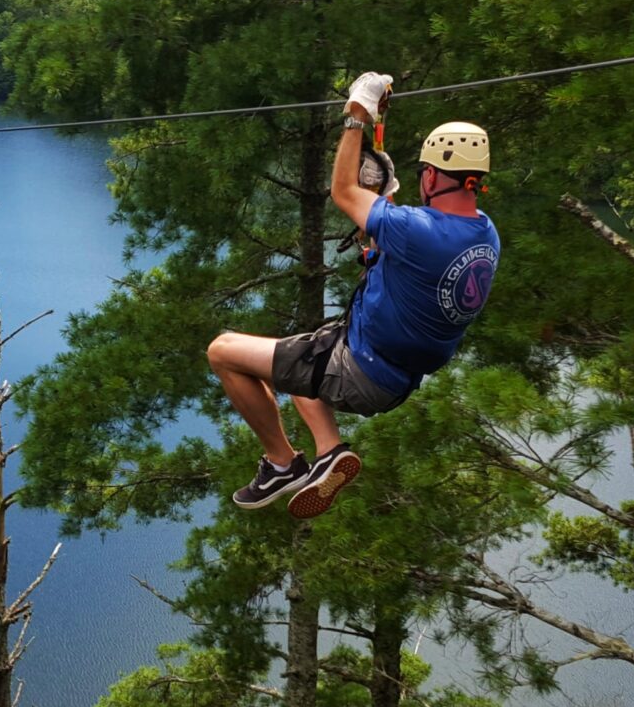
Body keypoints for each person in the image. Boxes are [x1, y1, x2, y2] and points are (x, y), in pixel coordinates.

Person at [206, 71, 500, 518]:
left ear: (435, 175)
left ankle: (282, 464)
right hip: (392, 377)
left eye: (424, 173)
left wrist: (357, 115)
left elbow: (342, 192)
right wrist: (386, 199)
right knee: (299, 356)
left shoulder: (415, 230)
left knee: (223, 352)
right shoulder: (484, 235)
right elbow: (414, 254)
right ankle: (328, 452)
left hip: (359, 370)